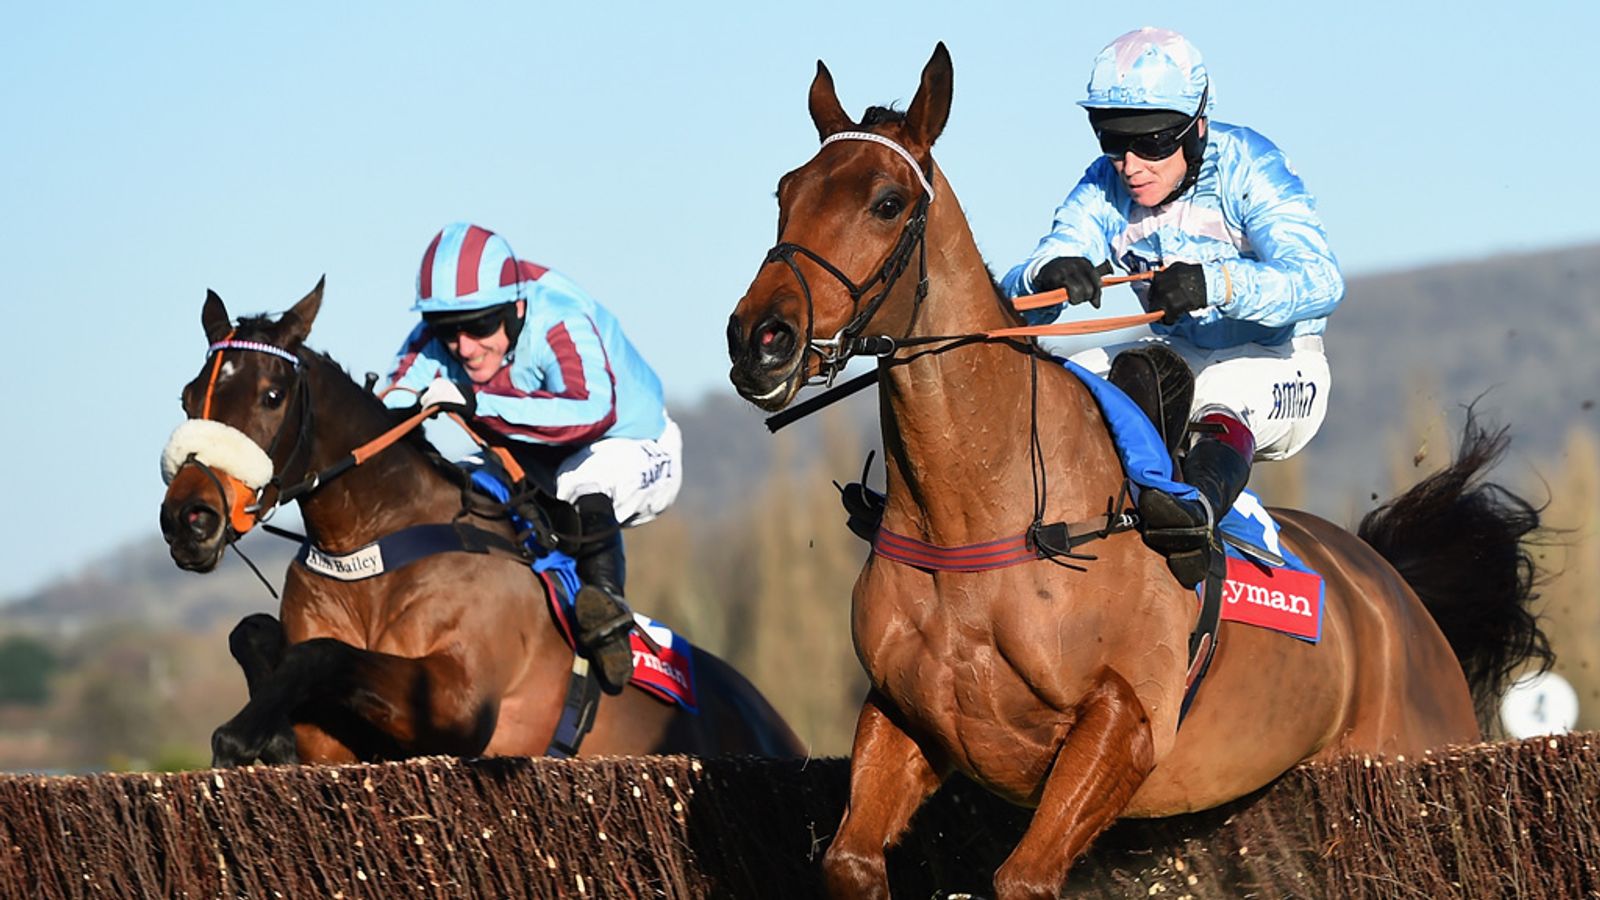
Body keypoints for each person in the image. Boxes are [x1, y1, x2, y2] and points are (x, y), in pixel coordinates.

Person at [1001, 27, 1343, 588]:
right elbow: (1022, 297)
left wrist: (1218, 284)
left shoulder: (1249, 165)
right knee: (1056, 385)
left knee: (1219, 393)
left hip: (1283, 364)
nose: (1131, 165)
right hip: (1176, 356)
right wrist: (1047, 274)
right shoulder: (1104, 185)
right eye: (1112, 140)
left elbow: (1322, 281)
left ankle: (1193, 521)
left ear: (1197, 128)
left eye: (1153, 143)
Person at [382, 222, 682, 693]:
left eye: (480, 326)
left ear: (516, 308)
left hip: (632, 445)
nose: (463, 346)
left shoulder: (558, 318)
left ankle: (607, 619)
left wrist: (476, 402)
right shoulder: (448, 334)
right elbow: (391, 399)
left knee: (585, 478)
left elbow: (591, 412)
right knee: (462, 486)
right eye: (447, 331)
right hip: (538, 460)